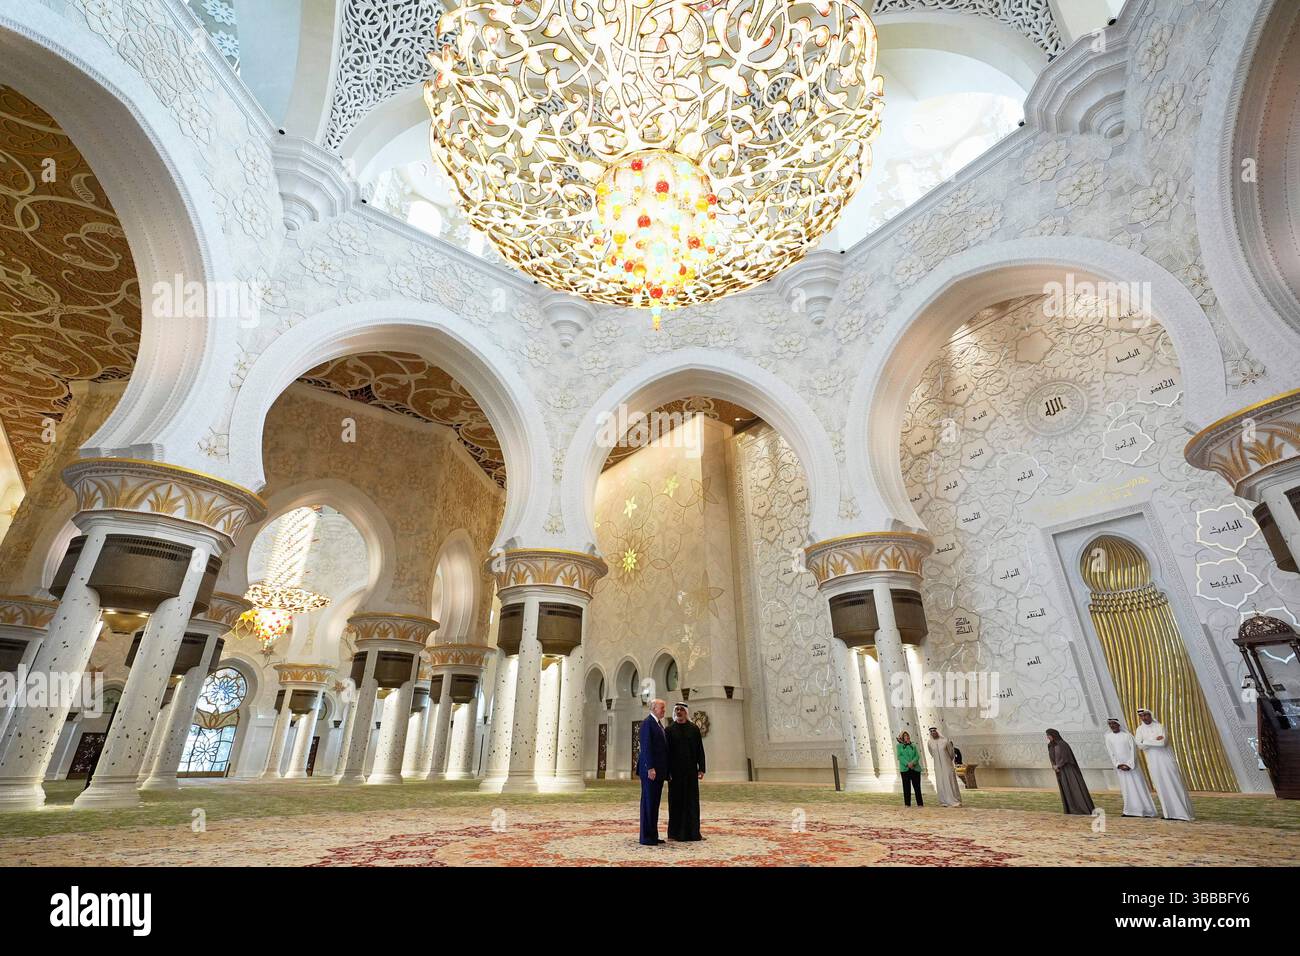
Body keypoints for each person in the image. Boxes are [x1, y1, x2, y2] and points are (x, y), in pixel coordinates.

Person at [1134, 708, 1194, 821]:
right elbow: (1139, 745)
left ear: (1150, 715)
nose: (1143, 718)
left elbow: (1163, 743)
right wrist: (1153, 740)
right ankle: (1169, 814)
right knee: (1161, 786)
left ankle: (1182, 813)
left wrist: (1146, 741)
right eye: (1141, 716)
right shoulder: (1139, 729)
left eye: (1145, 715)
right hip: (1153, 762)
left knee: (1174, 783)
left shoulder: (1160, 726)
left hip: (1166, 761)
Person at [664, 701, 706, 841]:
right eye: (677, 710)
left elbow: (700, 749)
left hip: (690, 772)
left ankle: (693, 833)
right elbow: (666, 753)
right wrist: (667, 771)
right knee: (676, 801)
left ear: (686, 712)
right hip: (675, 774)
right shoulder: (669, 730)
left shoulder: (694, 729)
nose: (679, 712)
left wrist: (702, 768)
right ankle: (675, 833)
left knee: (692, 801)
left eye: (682, 710)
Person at [1103, 717, 1157, 818]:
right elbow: (1111, 752)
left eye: (1114, 724)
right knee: (1126, 788)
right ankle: (1130, 811)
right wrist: (1118, 764)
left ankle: (1146, 811)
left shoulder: (1127, 736)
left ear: (1119, 724)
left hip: (1132, 767)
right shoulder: (1108, 737)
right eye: (1110, 724)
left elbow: (1133, 751)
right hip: (1120, 768)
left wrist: (1129, 764)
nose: (1112, 726)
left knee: (1138, 786)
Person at [637, 698, 669, 845]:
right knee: (649, 803)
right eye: (662, 708)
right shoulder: (647, 724)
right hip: (650, 772)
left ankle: (653, 835)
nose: (664, 710)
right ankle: (646, 837)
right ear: (654, 708)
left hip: (658, 772)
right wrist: (650, 768)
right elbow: (646, 747)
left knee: (654, 803)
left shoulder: (657, 724)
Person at [1046, 728, 1095, 815]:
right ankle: (1071, 809)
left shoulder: (1063, 744)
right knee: (1066, 789)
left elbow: (1066, 758)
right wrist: (1054, 766)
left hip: (1069, 771)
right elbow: (1052, 758)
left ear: (1054, 735)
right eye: (1047, 735)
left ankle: (1082, 809)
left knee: (1074, 788)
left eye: (1049, 735)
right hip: (1060, 771)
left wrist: (1058, 765)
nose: (1048, 737)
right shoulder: (1050, 745)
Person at [926, 727, 962, 807]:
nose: (933, 733)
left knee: (949, 781)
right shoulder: (930, 743)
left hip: (947, 765)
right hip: (938, 766)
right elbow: (932, 753)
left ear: (937, 732)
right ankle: (943, 801)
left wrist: (947, 761)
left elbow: (951, 753)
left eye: (934, 731)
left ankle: (954, 800)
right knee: (941, 781)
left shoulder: (945, 741)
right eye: (931, 732)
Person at [896, 731, 923, 806]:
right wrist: (907, 764)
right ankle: (907, 804)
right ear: (902, 737)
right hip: (905, 769)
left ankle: (920, 804)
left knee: (917, 788)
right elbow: (899, 756)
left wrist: (912, 763)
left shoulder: (913, 745)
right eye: (905, 736)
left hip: (915, 768)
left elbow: (917, 756)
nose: (907, 737)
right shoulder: (899, 746)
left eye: (908, 735)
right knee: (906, 788)